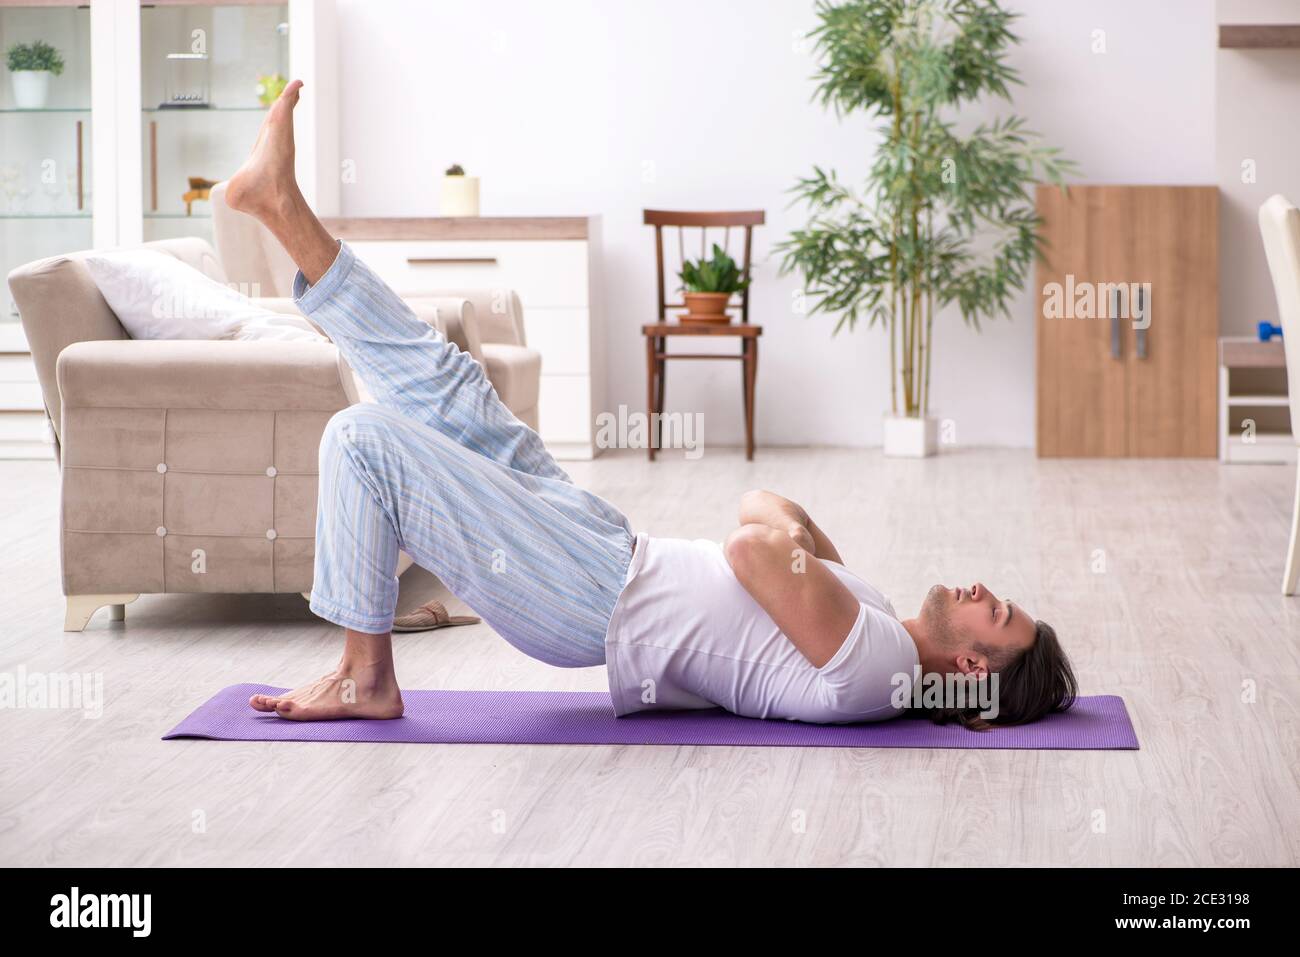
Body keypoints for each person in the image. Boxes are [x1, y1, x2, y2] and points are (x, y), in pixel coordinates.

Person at [232, 81, 1076, 728]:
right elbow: (774, 524)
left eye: (992, 609)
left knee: (364, 439)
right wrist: (793, 547)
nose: (978, 587)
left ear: (969, 666)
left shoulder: (876, 663)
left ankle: (365, 676)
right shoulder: (879, 622)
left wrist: (791, 546)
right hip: (603, 548)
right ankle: (283, 206)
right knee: (449, 384)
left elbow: (754, 541)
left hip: (590, 598)